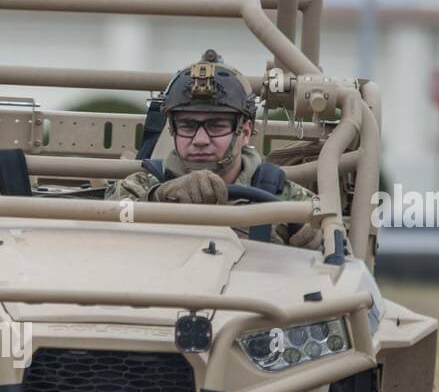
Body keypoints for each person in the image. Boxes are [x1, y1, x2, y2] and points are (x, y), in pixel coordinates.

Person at [107, 50, 323, 248]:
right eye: (187, 126)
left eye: (216, 125)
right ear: (172, 130)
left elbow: (336, 261)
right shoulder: (142, 186)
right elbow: (103, 219)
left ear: (245, 131)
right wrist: (162, 198)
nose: (200, 140)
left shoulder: (284, 196)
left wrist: (315, 240)